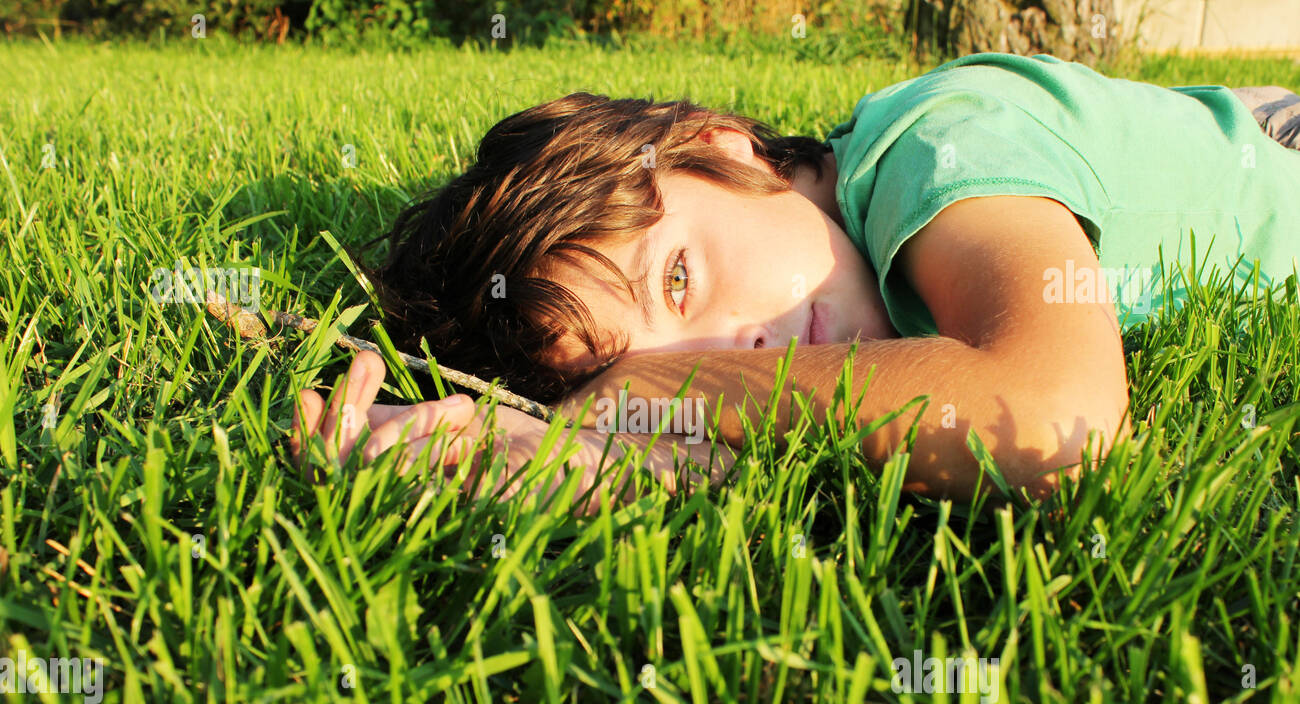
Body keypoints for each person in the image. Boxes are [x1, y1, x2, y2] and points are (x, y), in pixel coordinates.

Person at [290, 53, 1300, 510]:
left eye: (678, 277)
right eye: (663, 352)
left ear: (714, 144)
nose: (742, 351)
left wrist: (651, 389)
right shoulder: (802, 312)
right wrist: (567, 461)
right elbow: (745, 452)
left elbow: (1054, 423)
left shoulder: (938, 146)